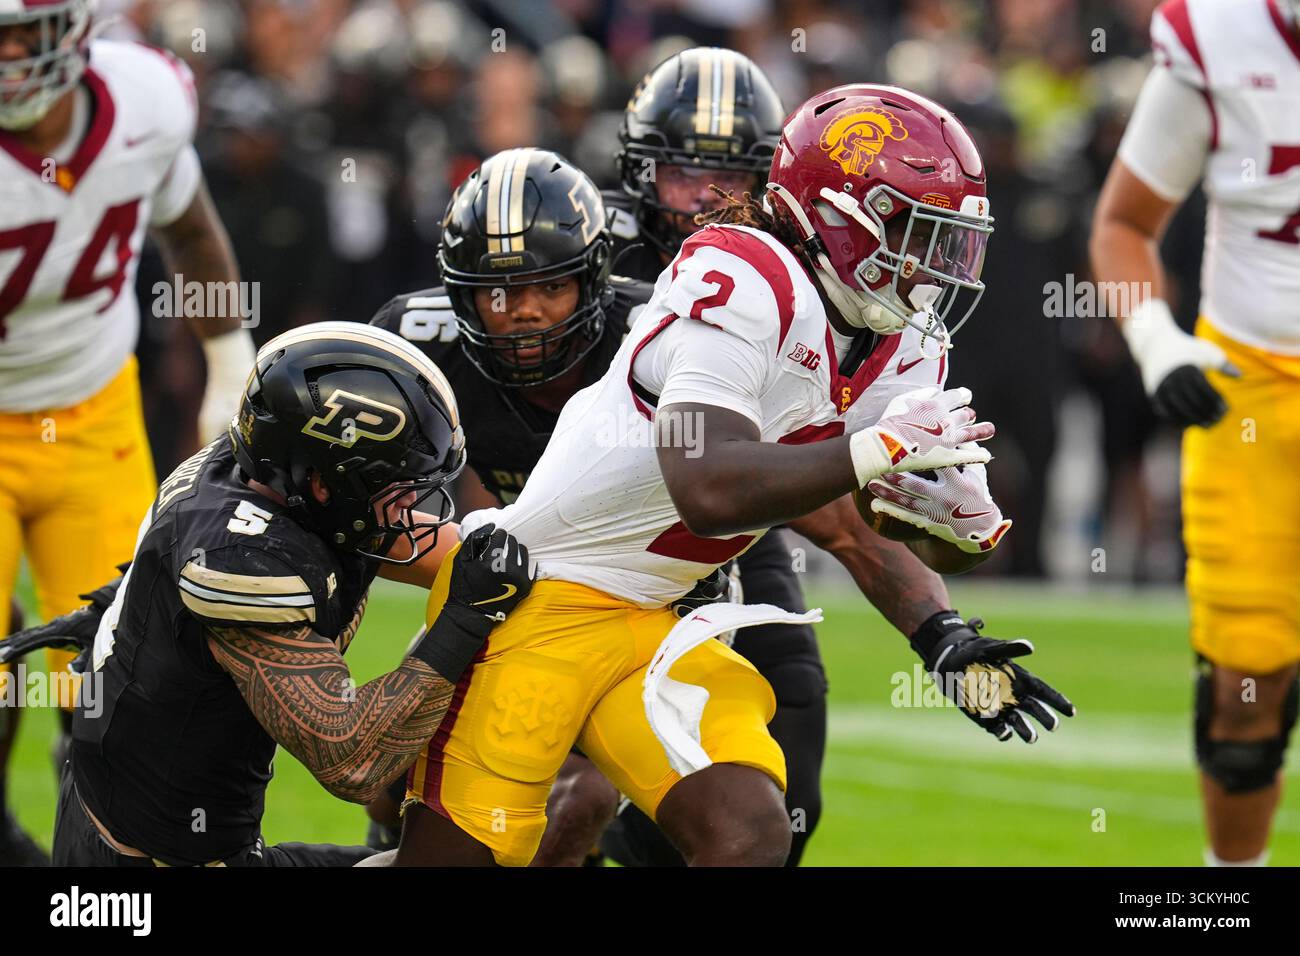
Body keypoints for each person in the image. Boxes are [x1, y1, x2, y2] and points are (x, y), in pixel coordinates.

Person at [381, 84, 1073, 868]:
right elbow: (706, 488)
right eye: (918, 232)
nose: (935, 265)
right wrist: (881, 448)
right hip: (535, 602)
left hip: (657, 619)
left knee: (749, 833)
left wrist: (944, 622)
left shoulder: (900, 340)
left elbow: (872, 525)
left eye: (950, 240)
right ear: (843, 218)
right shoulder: (742, 275)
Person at [50, 322, 532, 866]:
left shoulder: (278, 480)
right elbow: (353, 761)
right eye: (396, 489)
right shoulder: (246, 565)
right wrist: (465, 621)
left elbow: (431, 549)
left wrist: (521, 562)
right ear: (326, 484)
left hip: (125, 820)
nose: (410, 511)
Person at [0, 0, 254, 860]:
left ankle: (101, 871)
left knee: (116, 675)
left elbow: (187, 223)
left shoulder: (142, 101)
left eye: (17, 32)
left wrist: (228, 351)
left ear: (72, 28)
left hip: (95, 411)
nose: (4, 53)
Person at [1091, 0, 1300, 866]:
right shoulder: (1219, 34)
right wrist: (1154, 341)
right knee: (1245, 684)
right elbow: (1124, 225)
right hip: (1252, 389)